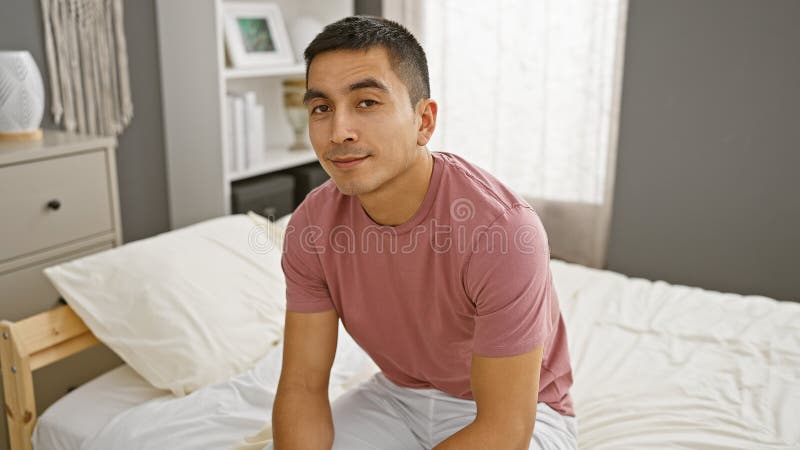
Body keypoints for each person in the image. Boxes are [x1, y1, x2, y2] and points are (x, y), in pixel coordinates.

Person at [269, 15, 577, 450]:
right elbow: (302, 387)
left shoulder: (503, 231)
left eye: (366, 102)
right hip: (397, 397)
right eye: (322, 108)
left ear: (424, 121)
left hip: (524, 412)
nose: (339, 132)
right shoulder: (311, 228)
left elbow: (505, 430)